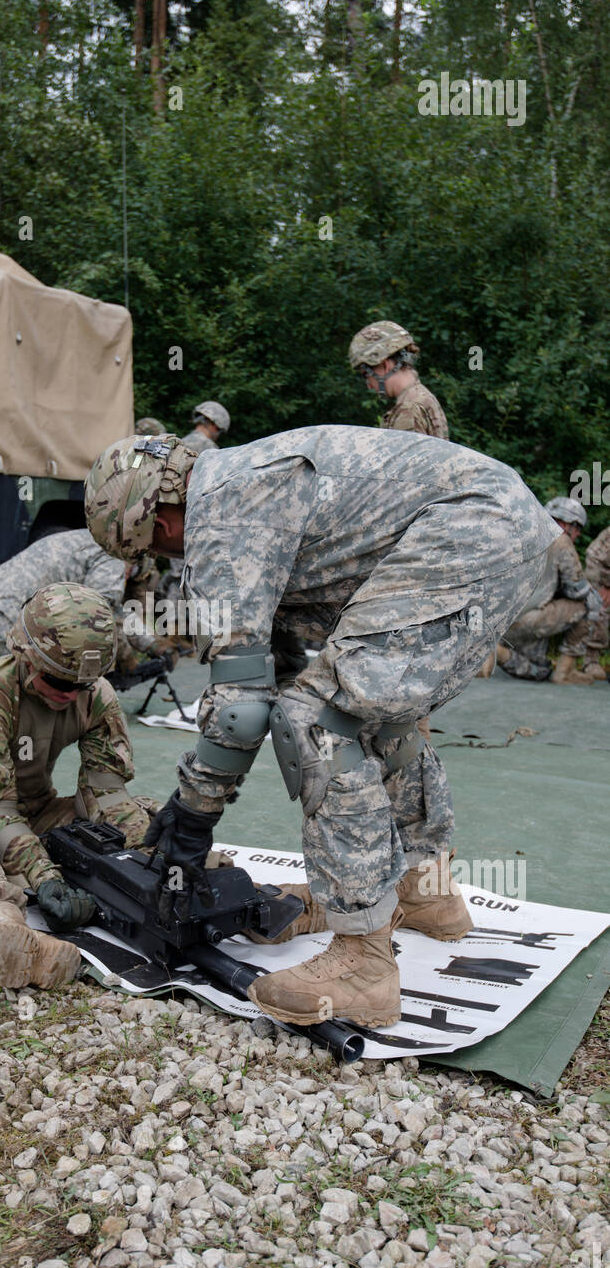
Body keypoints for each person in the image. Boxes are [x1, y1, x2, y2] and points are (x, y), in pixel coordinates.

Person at [84, 427, 558, 1028]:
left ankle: (362, 960)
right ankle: (422, 888)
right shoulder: (242, 480)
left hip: (467, 537)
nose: (168, 557)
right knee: (379, 713)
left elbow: (240, 705)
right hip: (504, 527)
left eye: (154, 548)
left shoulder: (220, 518)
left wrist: (193, 813)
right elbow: (271, 653)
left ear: (157, 520)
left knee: (317, 721)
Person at [0, 583, 160, 988]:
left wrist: (149, 850)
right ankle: (7, 933)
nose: (67, 695)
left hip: (37, 810)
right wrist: (46, 877)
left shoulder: (95, 694)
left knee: (144, 827)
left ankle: (235, 898)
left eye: (79, 686)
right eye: (56, 682)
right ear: (24, 657)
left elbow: (106, 793)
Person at [0, 528, 171, 727]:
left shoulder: (101, 541)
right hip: (12, 610)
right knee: (32, 685)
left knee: (22, 678)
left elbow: (113, 610)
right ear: (134, 567)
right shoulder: (115, 559)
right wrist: (128, 657)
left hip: (2, 601)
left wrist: (150, 643)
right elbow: (100, 616)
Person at [489, 498, 603, 685]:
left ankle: (497, 653)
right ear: (567, 523)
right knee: (591, 602)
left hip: (497, 623)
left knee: (540, 670)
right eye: (578, 529)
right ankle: (566, 671)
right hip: (527, 621)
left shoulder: (517, 532)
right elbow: (578, 590)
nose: (578, 535)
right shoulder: (561, 539)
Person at [349, 322, 449, 440]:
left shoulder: (408, 410)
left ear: (385, 365)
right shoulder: (422, 397)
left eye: (366, 375)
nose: (369, 386)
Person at [584, 524, 610, 682]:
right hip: (600, 574)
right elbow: (594, 557)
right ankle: (590, 661)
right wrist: (607, 585)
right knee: (601, 606)